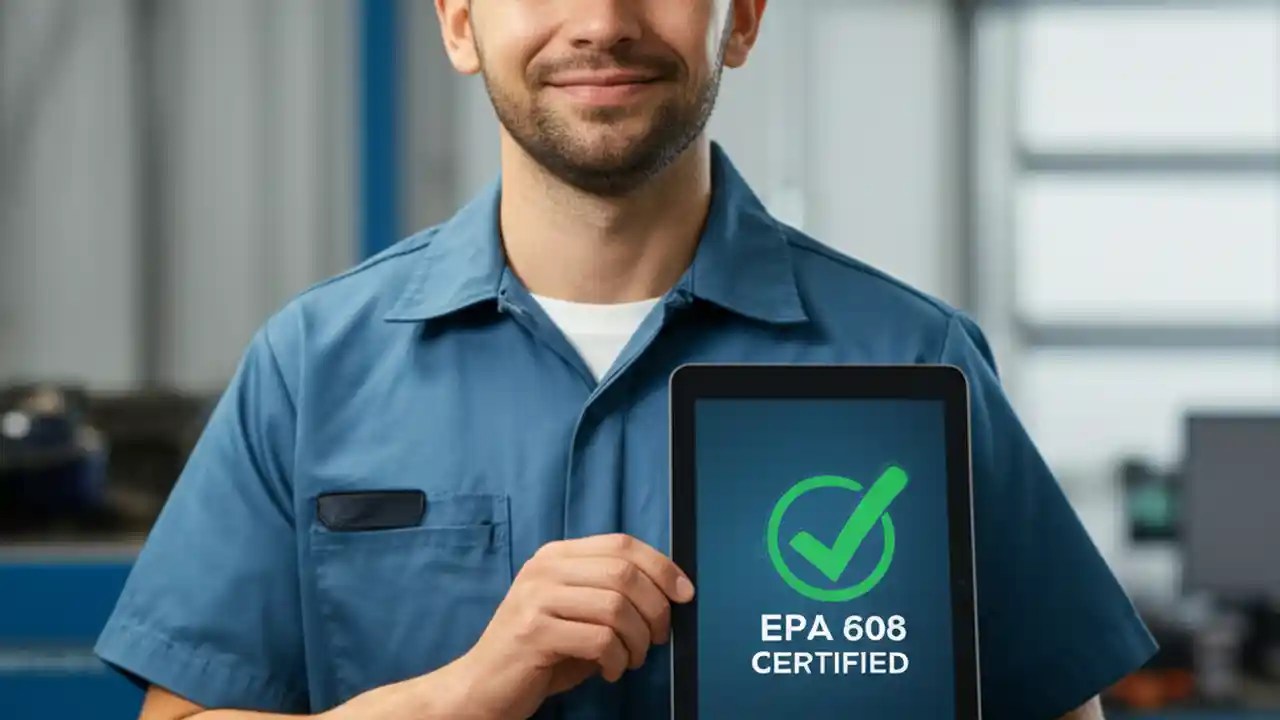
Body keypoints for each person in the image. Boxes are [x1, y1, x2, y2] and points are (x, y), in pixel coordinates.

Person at [95, 1, 1156, 718]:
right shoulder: (312, 367)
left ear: (738, 17)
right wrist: (459, 695)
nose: (600, 22)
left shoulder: (913, 360)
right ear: (459, 22)